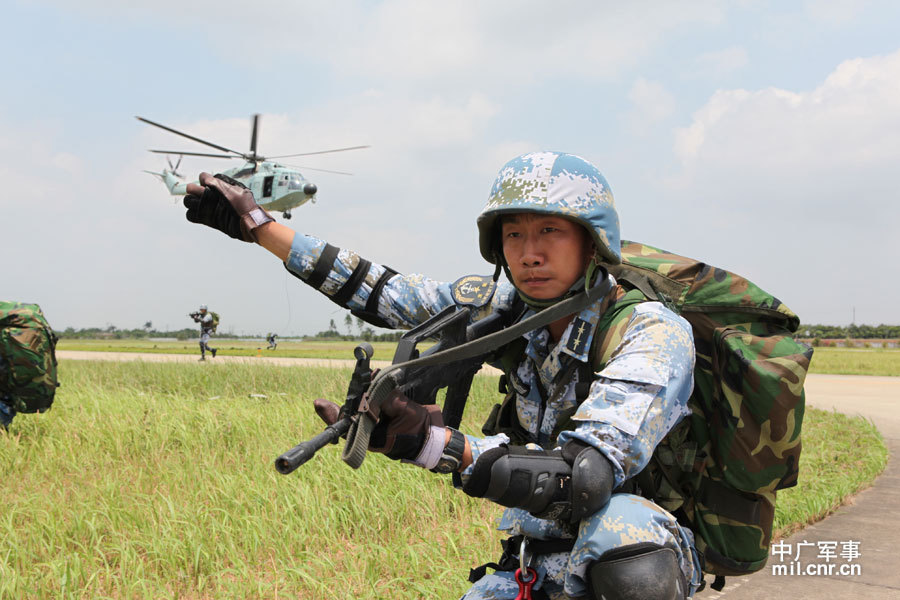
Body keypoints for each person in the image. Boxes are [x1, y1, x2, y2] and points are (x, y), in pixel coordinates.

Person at [183, 153, 701, 599]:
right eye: (514, 234)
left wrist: (438, 444)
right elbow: (384, 292)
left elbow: (585, 477)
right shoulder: (509, 309)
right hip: (535, 558)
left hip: (627, 555)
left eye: (550, 231)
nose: (529, 253)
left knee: (623, 536)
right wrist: (261, 227)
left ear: (593, 243)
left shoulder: (652, 332)